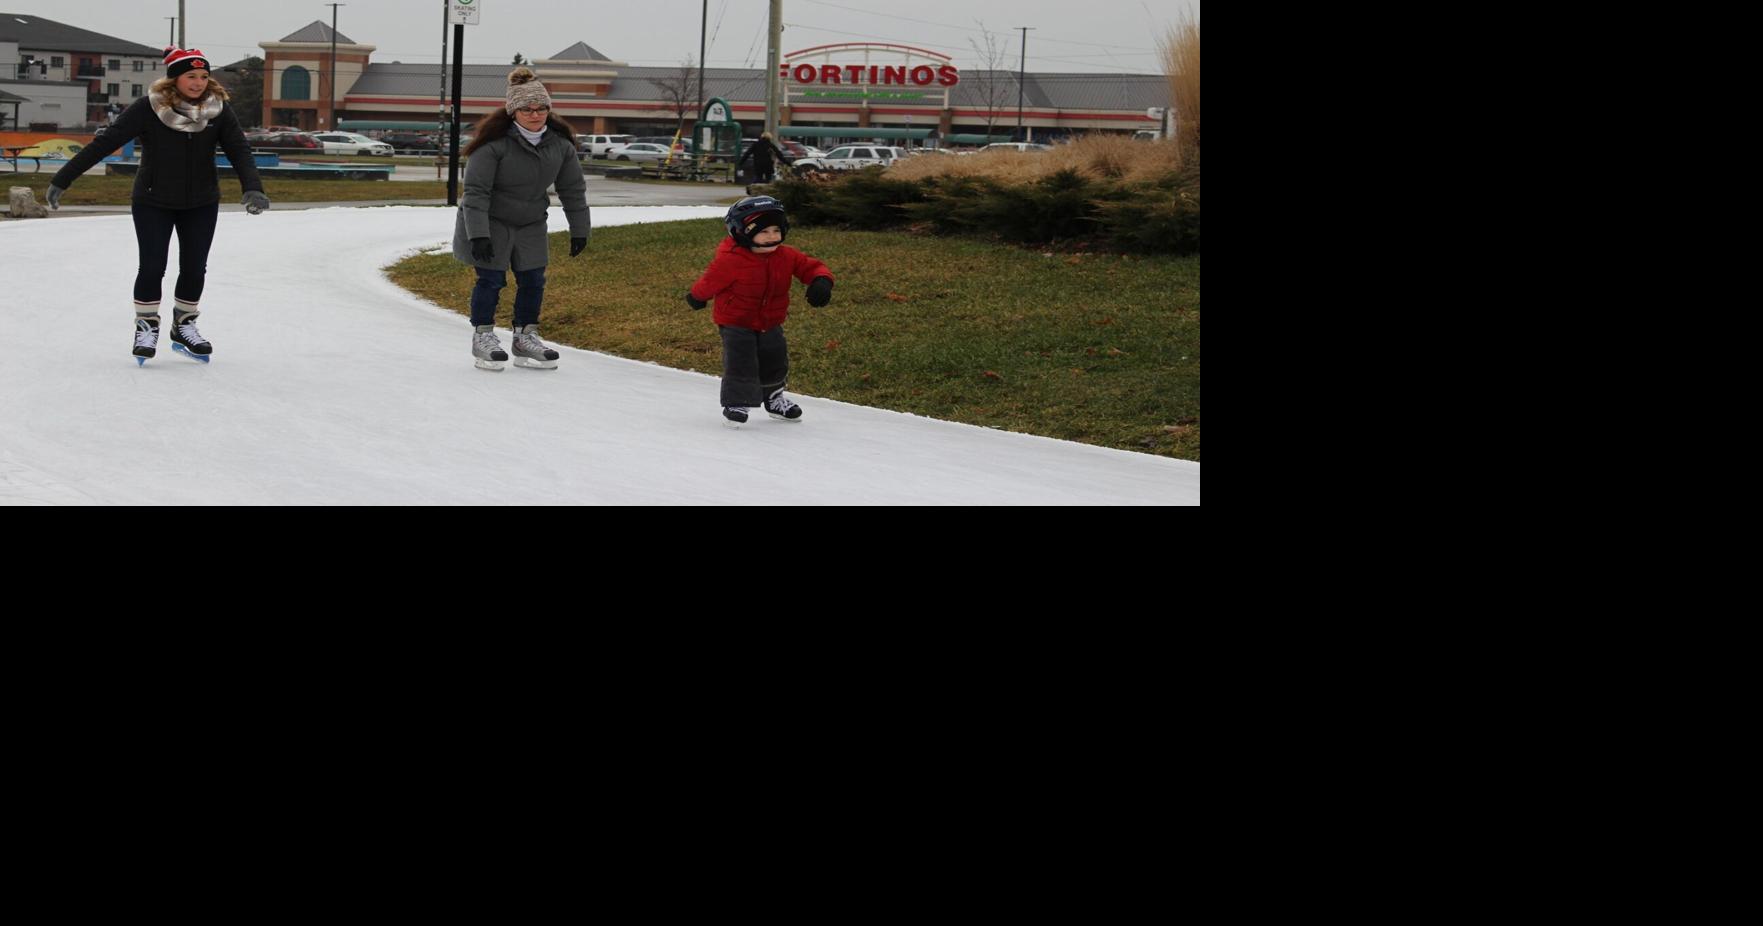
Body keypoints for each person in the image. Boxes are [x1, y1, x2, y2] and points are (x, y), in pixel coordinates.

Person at [47, 46, 270, 365]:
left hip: (201, 201)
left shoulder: (218, 110)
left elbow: (239, 150)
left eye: (204, 76)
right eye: (190, 76)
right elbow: (105, 143)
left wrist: (253, 188)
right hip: (153, 201)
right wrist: (63, 178)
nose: (198, 83)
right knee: (152, 266)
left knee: (195, 267)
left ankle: (184, 325)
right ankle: (146, 325)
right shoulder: (148, 108)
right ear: (174, 78)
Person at [453, 67, 591, 371]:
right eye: (527, 109)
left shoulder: (560, 146)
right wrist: (478, 234)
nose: (535, 114)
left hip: (530, 222)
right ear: (513, 111)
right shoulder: (493, 146)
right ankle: (484, 338)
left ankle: (525, 338)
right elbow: (475, 193)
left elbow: (573, 189)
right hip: (490, 221)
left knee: (533, 280)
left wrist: (580, 229)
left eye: (541, 108)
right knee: (491, 280)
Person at [686, 196, 834, 426]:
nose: (773, 236)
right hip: (736, 321)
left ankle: (774, 398)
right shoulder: (731, 260)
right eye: (764, 232)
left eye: (777, 229)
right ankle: (737, 403)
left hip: (770, 321)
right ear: (742, 232)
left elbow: (811, 267)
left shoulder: (786, 255)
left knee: (775, 358)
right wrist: (697, 296)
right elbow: (710, 281)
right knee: (741, 361)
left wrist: (821, 281)